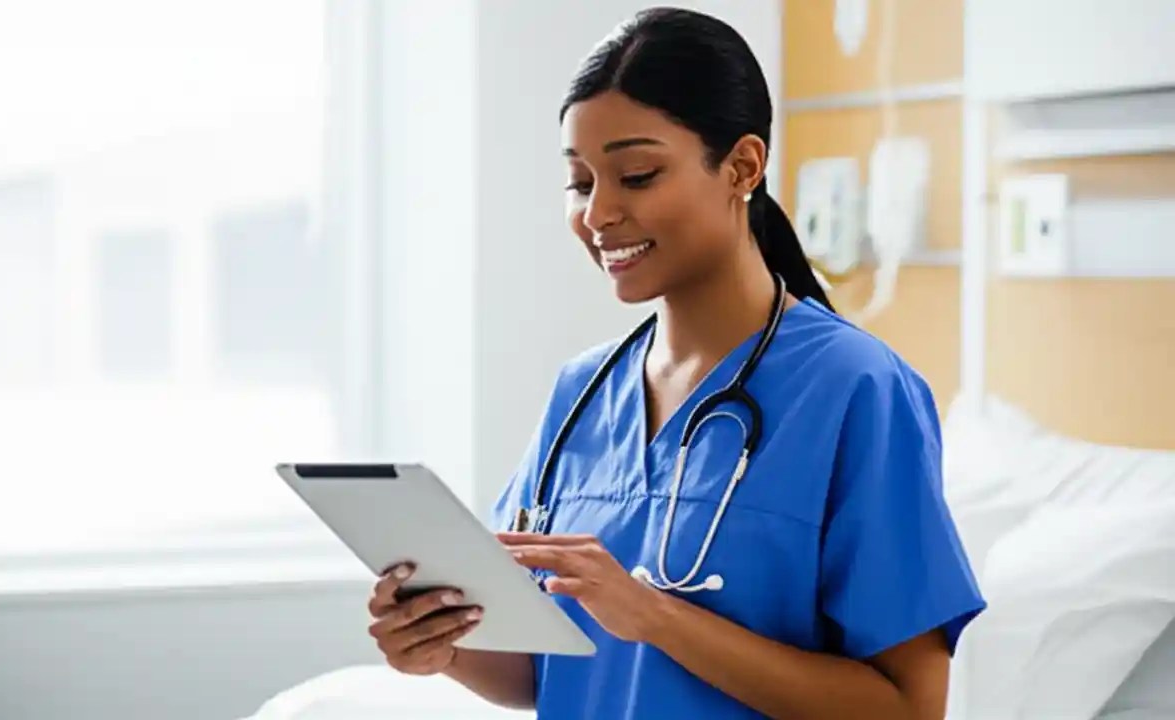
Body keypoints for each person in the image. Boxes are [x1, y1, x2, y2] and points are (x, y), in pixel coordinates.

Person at [365, 7, 985, 719]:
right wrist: (444, 647)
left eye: (636, 174)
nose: (597, 214)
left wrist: (653, 616)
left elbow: (909, 707)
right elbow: (549, 673)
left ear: (743, 167)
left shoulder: (857, 390)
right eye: (579, 182)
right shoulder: (582, 393)